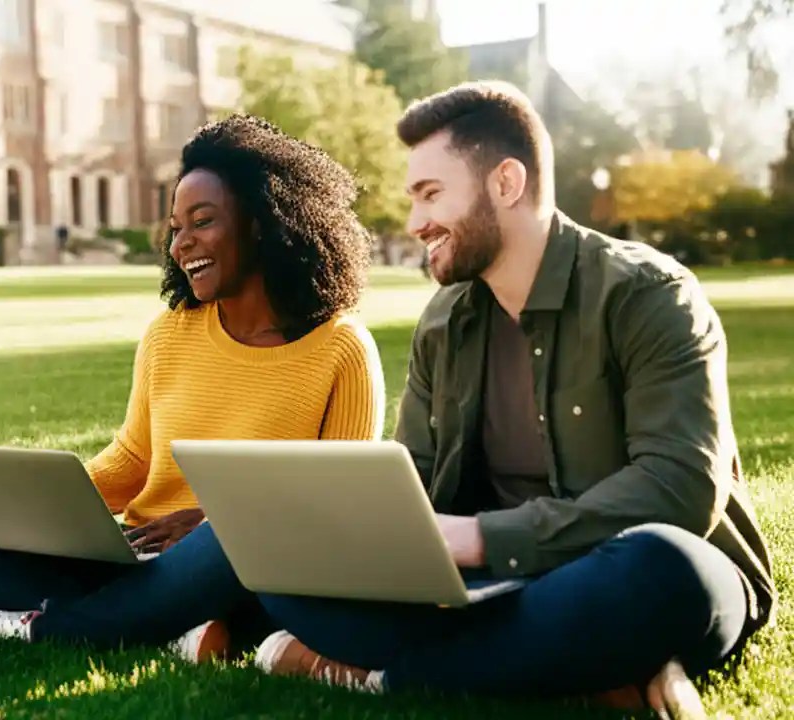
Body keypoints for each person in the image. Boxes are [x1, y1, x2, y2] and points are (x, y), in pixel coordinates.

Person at [249, 81, 776, 716]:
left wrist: (477, 539)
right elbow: (414, 474)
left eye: (431, 194)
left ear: (505, 183)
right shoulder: (443, 322)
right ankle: (591, 672)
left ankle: (379, 674)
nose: (416, 222)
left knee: (666, 572)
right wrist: (354, 530)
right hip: (492, 588)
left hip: (616, 568)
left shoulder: (650, 295)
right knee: (291, 572)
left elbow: (680, 486)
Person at [0, 114, 386, 659]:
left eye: (202, 222)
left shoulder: (341, 347)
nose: (182, 245)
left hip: (243, 566)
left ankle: (41, 628)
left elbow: (336, 508)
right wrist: (38, 507)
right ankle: (169, 626)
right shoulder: (170, 334)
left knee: (233, 538)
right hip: (140, 553)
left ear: (260, 221)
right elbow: (132, 460)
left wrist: (212, 521)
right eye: (176, 229)